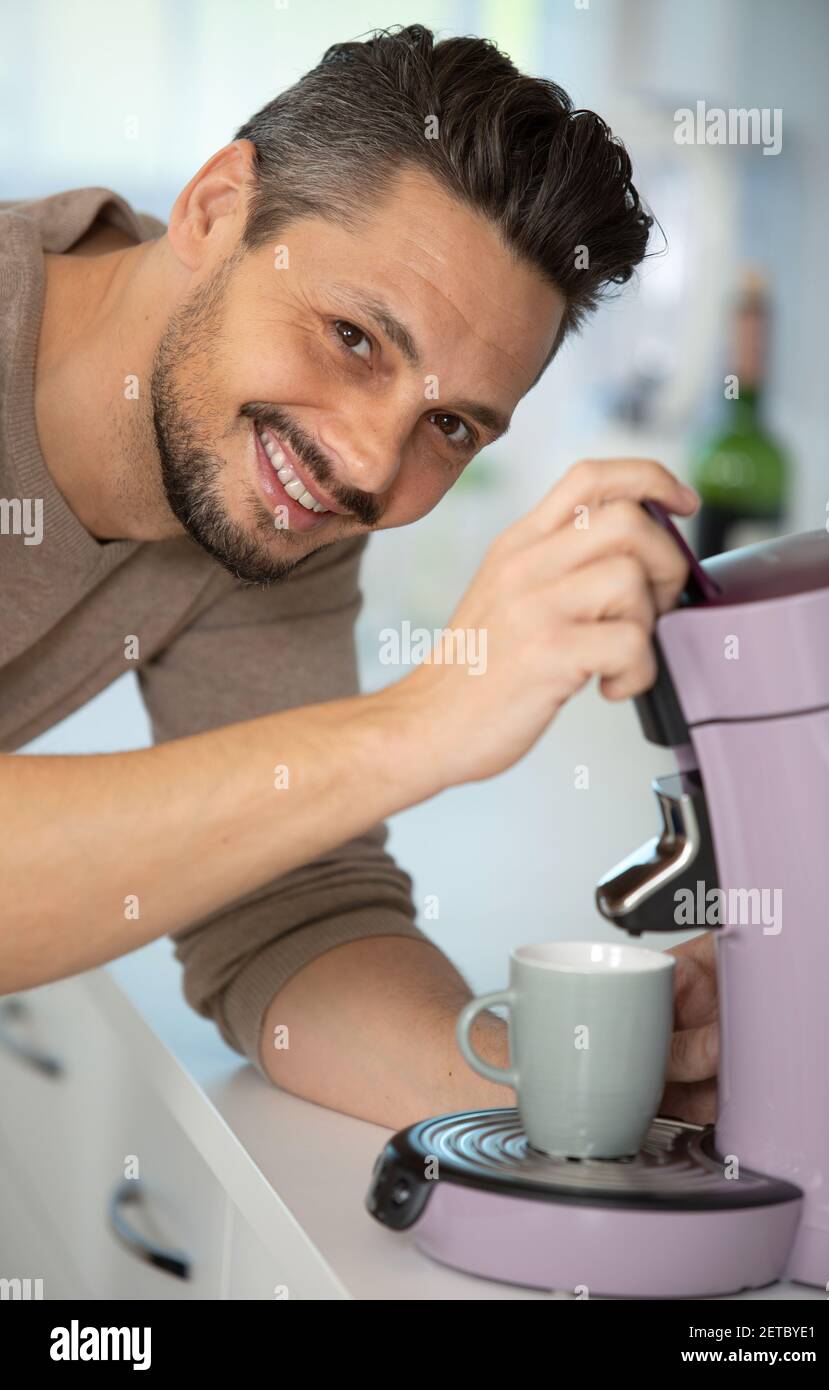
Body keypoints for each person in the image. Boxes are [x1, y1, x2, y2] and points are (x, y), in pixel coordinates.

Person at [0, 25, 717, 1130]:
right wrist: (417, 724)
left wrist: (574, 1082)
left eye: (450, 423)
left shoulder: (263, 503)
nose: (373, 468)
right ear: (212, 209)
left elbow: (289, 911)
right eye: (352, 337)